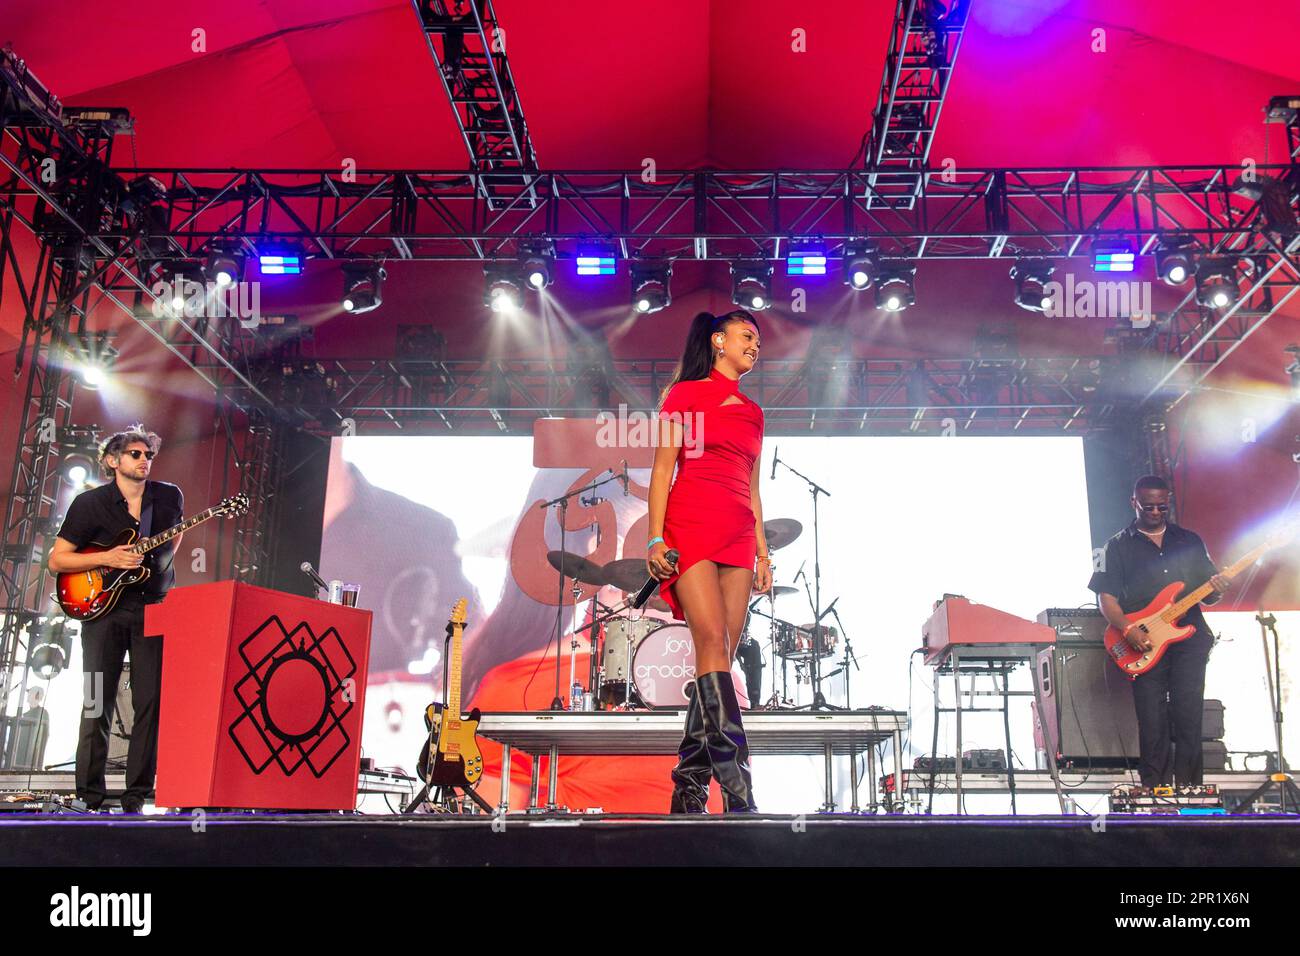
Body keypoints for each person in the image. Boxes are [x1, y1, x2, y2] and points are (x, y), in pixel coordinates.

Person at [647, 310, 771, 813]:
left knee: (721, 652)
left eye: (758, 341)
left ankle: (688, 785)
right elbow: (661, 471)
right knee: (711, 644)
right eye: (747, 336)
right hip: (692, 525)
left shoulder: (755, 412)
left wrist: (764, 552)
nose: (755, 345)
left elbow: (755, 489)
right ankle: (738, 791)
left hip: (739, 534)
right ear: (719, 341)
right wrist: (656, 538)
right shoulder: (686, 395)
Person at [48, 424, 183, 812]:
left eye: (148, 455)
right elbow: (58, 560)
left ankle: (135, 797)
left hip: (153, 609)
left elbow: (174, 537)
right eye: (135, 454)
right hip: (101, 613)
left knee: (149, 703)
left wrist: (157, 568)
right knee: (96, 702)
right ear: (112, 461)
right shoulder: (90, 504)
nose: (144, 460)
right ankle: (88, 796)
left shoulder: (168, 496)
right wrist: (108, 558)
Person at [1088, 475, 1232, 787]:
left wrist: (1218, 589)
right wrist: (1128, 629)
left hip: (1189, 638)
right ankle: (1155, 789)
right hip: (1143, 640)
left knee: (1188, 712)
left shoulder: (1189, 540)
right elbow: (1106, 598)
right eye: (1148, 506)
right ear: (1134, 503)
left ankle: (1191, 788)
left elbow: (1208, 592)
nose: (1155, 512)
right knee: (1151, 718)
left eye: (1162, 507)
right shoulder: (1114, 547)